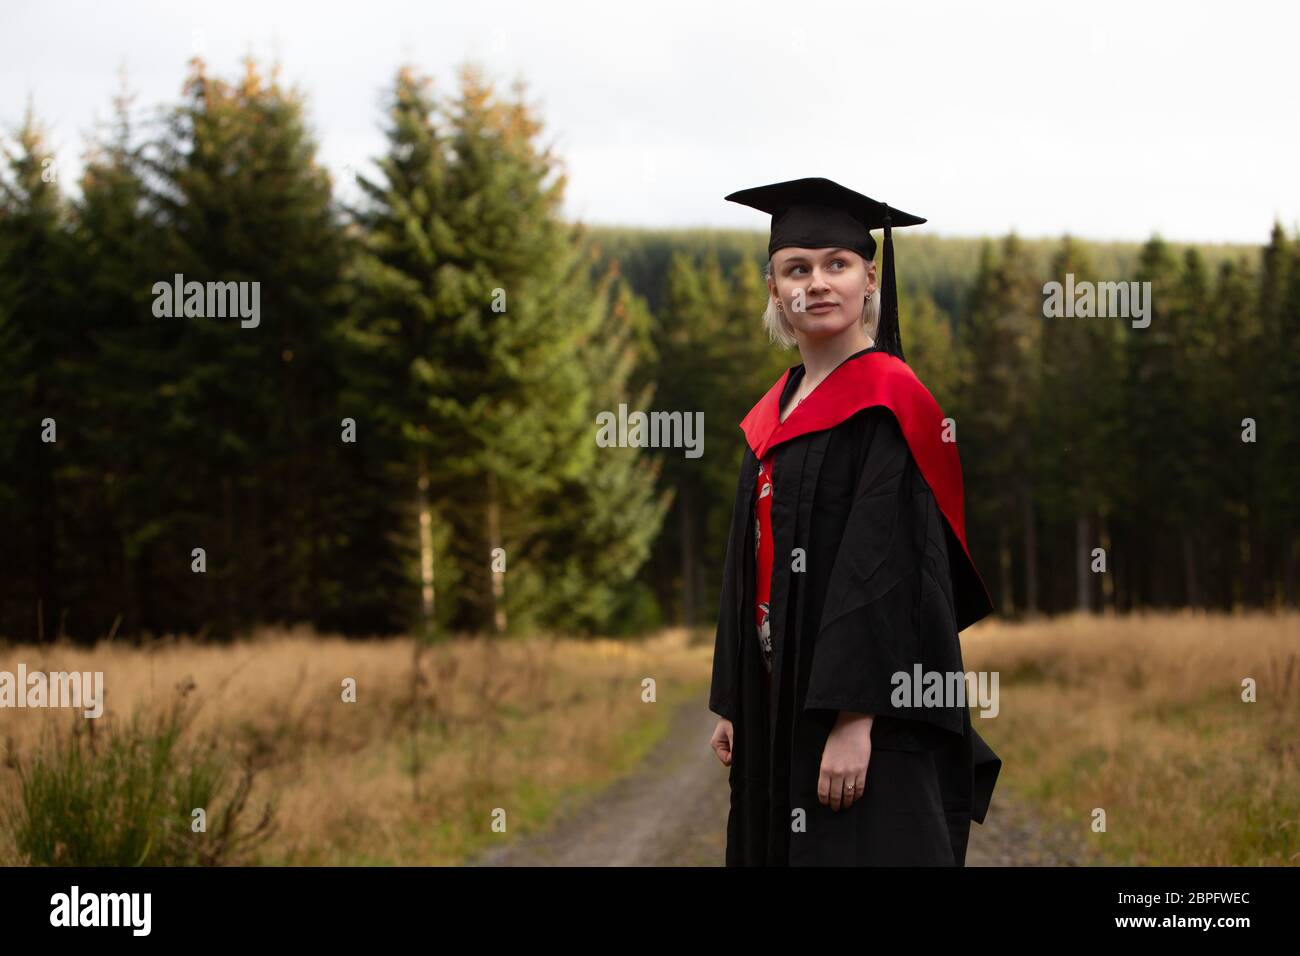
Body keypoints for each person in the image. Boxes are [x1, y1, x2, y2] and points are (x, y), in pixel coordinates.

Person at [707, 177, 1001, 866]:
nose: (817, 282)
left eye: (836, 264)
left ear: (870, 278)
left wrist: (855, 716)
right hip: (779, 693)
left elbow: (890, 566)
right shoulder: (773, 410)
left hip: (856, 706)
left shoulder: (889, 401)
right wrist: (735, 699)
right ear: (774, 288)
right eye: (796, 268)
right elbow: (744, 564)